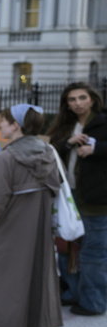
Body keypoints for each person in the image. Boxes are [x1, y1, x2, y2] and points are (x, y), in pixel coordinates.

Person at [0, 104, 62, 327]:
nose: (0, 125)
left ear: (16, 125)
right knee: (34, 284)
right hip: (38, 233)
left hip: (9, 233)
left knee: (5, 286)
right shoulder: (49, 153)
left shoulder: (7, 158)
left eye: (4, 121)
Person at [48, 82, 107, 315]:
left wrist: (97, 149)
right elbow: (48, 150)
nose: (77, 103)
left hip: (96, 199)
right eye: (72, 99)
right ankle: (71, 292)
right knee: (66, 246)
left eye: (82, 98)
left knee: (94, 253)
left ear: (92, 99)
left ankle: (93, 301)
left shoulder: (103, 122)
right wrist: (67, 143)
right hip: (67, 196)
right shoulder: (64, 125)